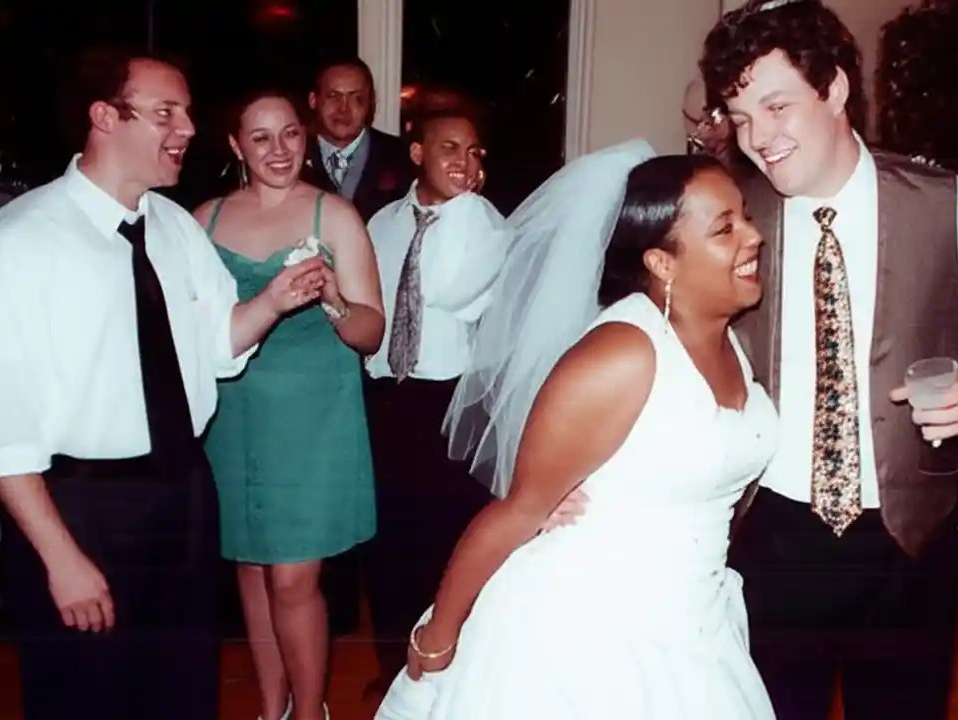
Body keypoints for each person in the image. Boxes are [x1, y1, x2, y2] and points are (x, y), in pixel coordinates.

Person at [698, 1, 958, 718]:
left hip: (909, 538)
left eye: (777, 105)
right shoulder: (734, 214)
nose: (758, 137)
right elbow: (669, 350)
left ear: (837, 89)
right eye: (741, 115)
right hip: (771, 532)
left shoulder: (948, 205)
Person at [373, 141, 778, 719]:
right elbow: (516, 510)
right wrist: (437, 635)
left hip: (694, 621)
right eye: (724, 228)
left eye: (745, 217)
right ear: (662, 262)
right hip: (586, 632)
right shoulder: (622, 353)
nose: (753, 236)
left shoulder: (727, 337)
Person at [0, 51, 327, 720]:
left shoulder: (173, 227)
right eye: (166, 112)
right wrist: (63, 559)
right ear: (104, 117)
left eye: (189, 112)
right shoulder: (24, 241)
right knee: (87, 694)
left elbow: (216, 345)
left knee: (181, 686)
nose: (189, 128)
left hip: (184, 492)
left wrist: (276, 302)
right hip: (80, 505)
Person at [194, 89, 383, 720]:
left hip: (313, 417)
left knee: (292, 578)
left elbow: (370, 333)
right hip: (234, 412)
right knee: (251, 569)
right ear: (234, 146)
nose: (279, 150)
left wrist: (332, 298)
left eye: (290, 135)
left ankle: (310, 711)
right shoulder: (205, 220)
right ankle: (270, 705)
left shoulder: (336, 215)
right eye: (260, 137)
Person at [361, 107, 501, 695]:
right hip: (382, 392)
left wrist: (464, 208)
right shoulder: (380, 224)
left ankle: (444, 667)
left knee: (443, 538)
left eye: (474, 153)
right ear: (417, 153)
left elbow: (452, 293)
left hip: (449, 399)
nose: (464, 164)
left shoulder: (486, 224)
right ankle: (392, 665)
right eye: (450, 149)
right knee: (386, 537)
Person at [302, 58, 415, 222]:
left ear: (370, 104)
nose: (344, 109)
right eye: (334, 96)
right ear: (314, 100)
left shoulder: (402, 156)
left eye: (357, 98)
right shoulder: (291, 157)